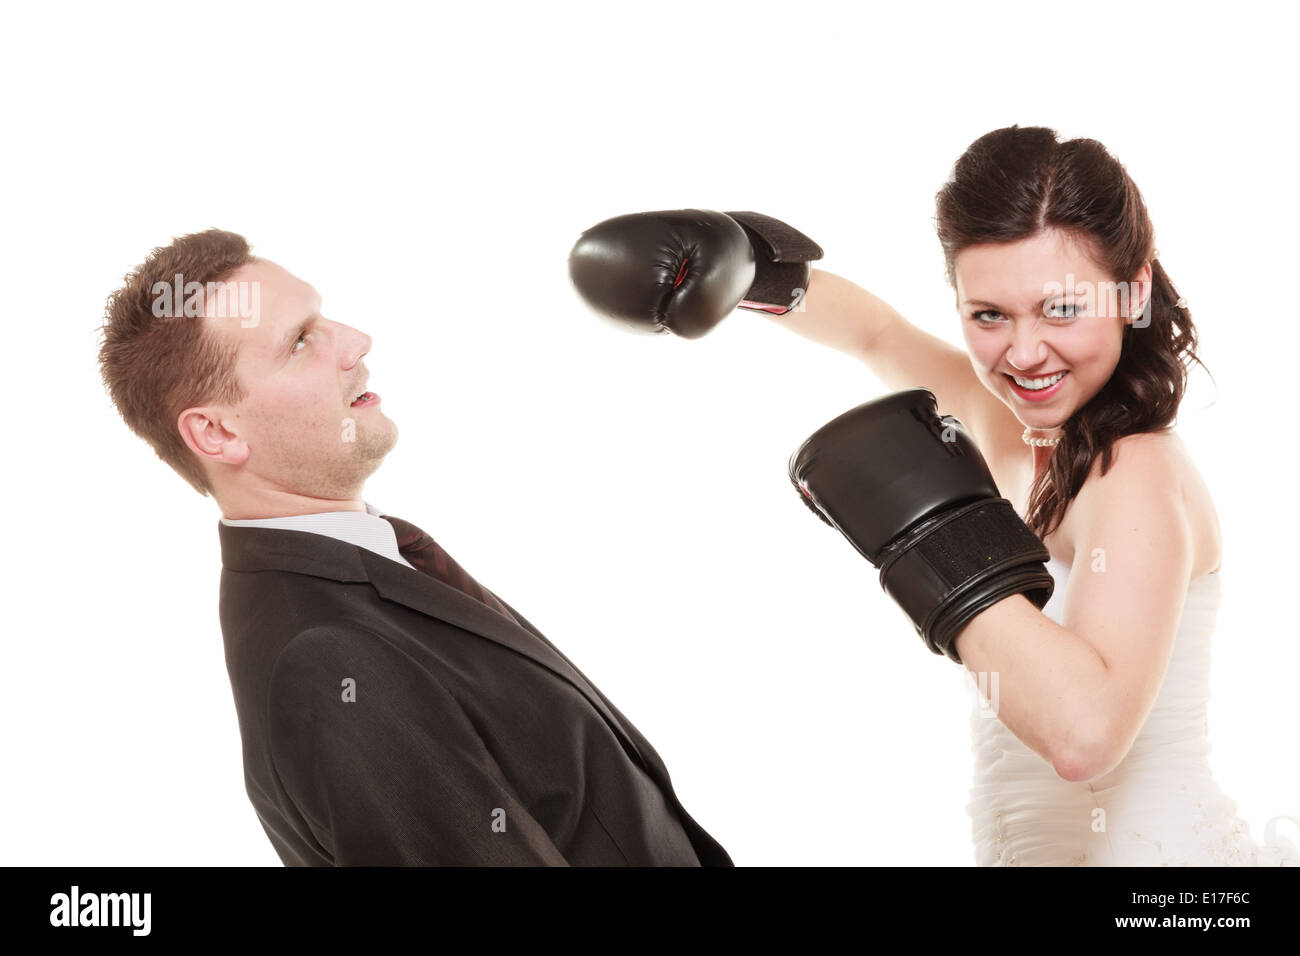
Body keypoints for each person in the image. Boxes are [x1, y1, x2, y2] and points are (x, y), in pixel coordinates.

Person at [567, 125, 1300, 866]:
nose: (1023, 353)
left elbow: (1086, 736)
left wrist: (933, 539)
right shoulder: (1002, 420)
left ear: (1132, 293)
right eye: (989, 314)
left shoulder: (1135, 468)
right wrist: (753, 271)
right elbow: (877, 333)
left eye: (1061, 310)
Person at [96, 229, 732, 866]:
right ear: (215, 432)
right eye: (297, 342)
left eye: (322, 318)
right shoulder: (331, 664)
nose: (354, 342)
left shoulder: (370, 560)